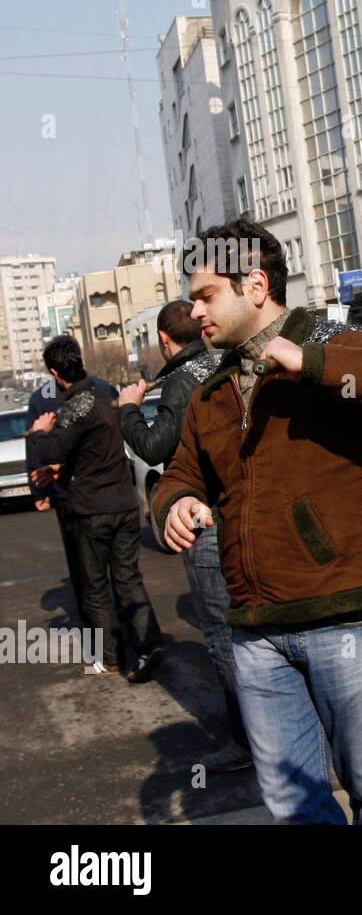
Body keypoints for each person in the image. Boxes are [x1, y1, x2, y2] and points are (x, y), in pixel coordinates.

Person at [154, 217, 362, 824]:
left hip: (345, 614)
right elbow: (182, 470)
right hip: (254, 629)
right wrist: (174, 502)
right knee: (293, 803)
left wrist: (313, 363)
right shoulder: (209, 390)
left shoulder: (331, 342)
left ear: (255, 285)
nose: (196, 312)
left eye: (206, 296)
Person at [117, 299, 250, 772]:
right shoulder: (225, 359)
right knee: (258, 629)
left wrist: (130, 411)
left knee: (221, 633)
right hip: (244, 511)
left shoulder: (180, 378)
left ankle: (247, 744)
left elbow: (156, 446)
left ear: (163, 340)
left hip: (205, 517)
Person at [28, 336, 164, 681]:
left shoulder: (76, 403)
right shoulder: (106, 394)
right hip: (123, 502)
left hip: (92, 509)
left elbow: (53, 450)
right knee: (129, 578)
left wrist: (39, 433)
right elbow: (92, 450)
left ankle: (111, 657)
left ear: (55, 372)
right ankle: (149, 645)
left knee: (96, 587)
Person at [26, 372, 118, 627]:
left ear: (53, 371)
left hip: (70, 494)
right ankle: (126, 625)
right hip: (112, 490)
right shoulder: (104, 388)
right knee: (120, 569)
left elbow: (35, 446)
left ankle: (96, 632)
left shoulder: (41, 398)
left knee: (83, 570)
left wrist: (40, 492)